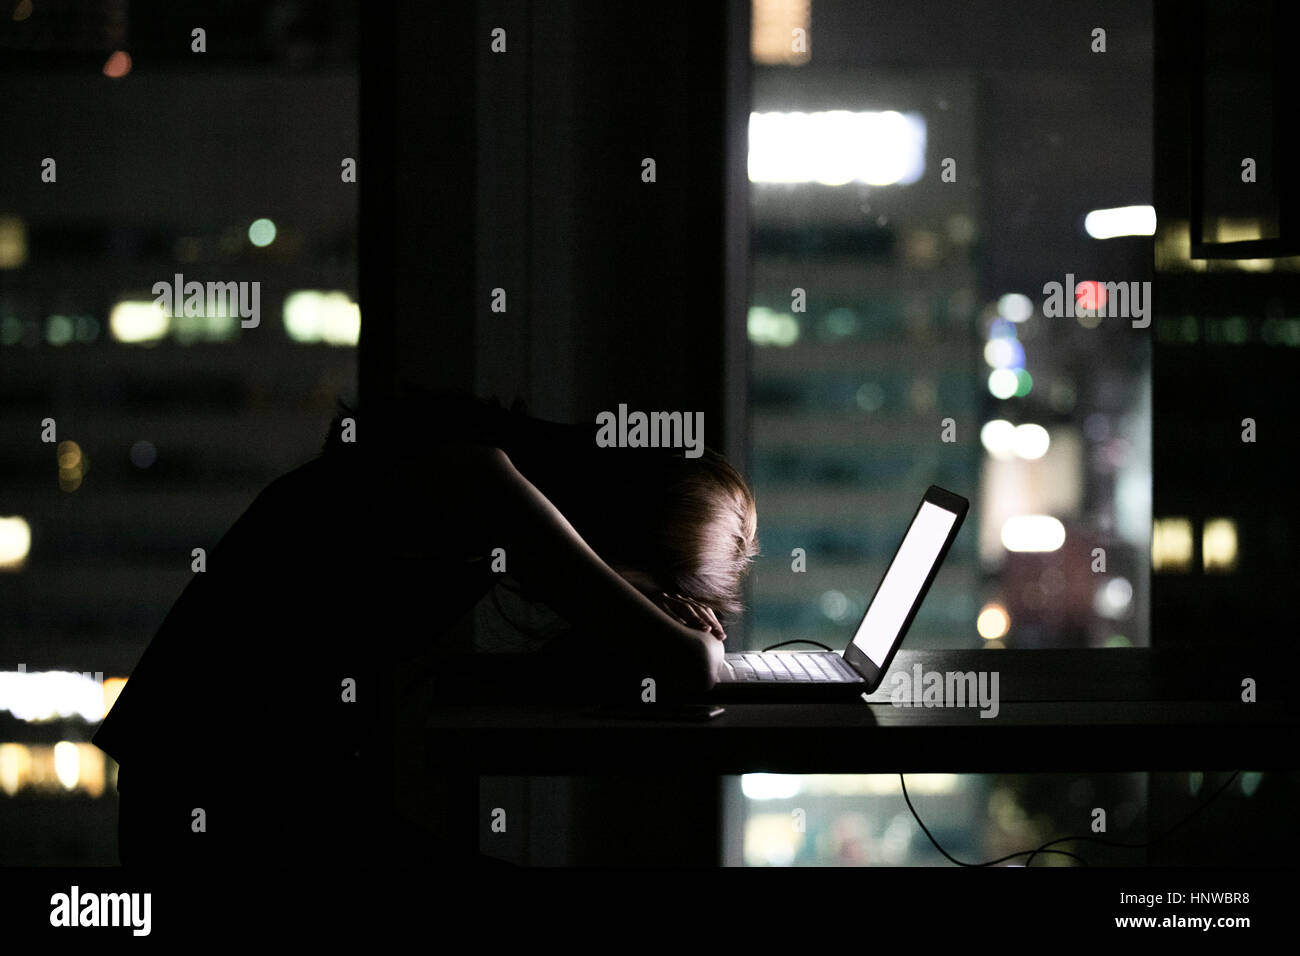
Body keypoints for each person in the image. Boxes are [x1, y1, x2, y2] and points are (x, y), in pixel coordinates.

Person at [94, 389, 759, 868]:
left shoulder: (484, 479)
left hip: (229, 786)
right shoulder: (484, 484)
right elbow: (687, 666)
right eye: (654, 593)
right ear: (621, 536)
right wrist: (691, 644)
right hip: (218, 803)